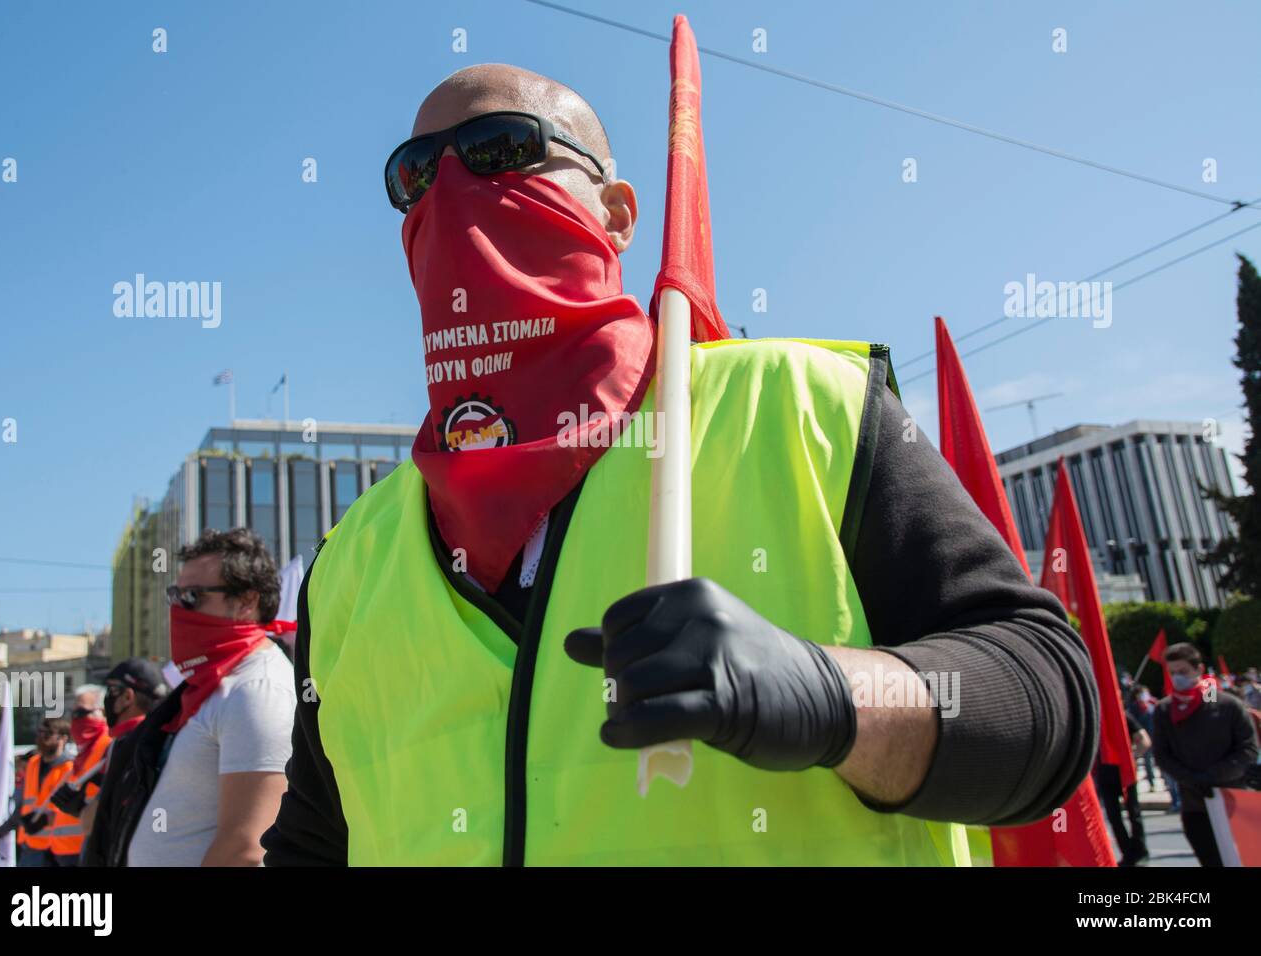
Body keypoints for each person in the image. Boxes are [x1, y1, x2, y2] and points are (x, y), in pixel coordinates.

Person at [262, 64, 1099, 867]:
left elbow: (1047, 699)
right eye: (414, 175)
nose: (450, 192)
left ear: (618, 212)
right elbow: (312, 846)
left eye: (502, 149)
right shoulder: (351, 561)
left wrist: (831, 696)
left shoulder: (800, 406)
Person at [85, 528, 295, 866]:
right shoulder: (210, 686)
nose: (178, 609)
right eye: (175, 595)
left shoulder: (258, 690)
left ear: (247, 601)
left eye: (193, 596)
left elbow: (246, 849)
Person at [1152, 642, 1259, 866]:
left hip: (1235, 799)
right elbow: (1162, 754)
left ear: (1199, 670)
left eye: (1183, 672)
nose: (1177, 678)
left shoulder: (1227, 705)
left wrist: (1213, 776)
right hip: (1195, 806)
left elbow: (1248, 749)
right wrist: (1191, 779)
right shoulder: (1165, 710)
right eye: (1172, 673)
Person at [51, 661, 168, 851]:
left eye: (111, 690)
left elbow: (93, 822)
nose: (107, 700)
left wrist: (79, 807)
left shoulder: (128, 744)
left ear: (127, 697)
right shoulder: (162, 737)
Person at [0, 716, 77, 866]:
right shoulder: (33, 764)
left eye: (47, 733)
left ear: (63, 738)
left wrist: (45, 820)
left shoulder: (70, 768)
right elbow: (23, 803)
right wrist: (4, 828)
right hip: (30, 844)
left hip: (56, 848)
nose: (41, 737)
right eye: (40, 732)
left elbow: (72, 810)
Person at [1092, 711, 1150, 866]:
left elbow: (1144, 740)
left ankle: (1140, 851)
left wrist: (1132, 757)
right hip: (1105, 775)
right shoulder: (1095, 716)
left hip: (1125, 772)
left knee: (1134, 813)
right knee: (1114, 817)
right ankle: (1128, 853)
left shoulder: (1122, 715)